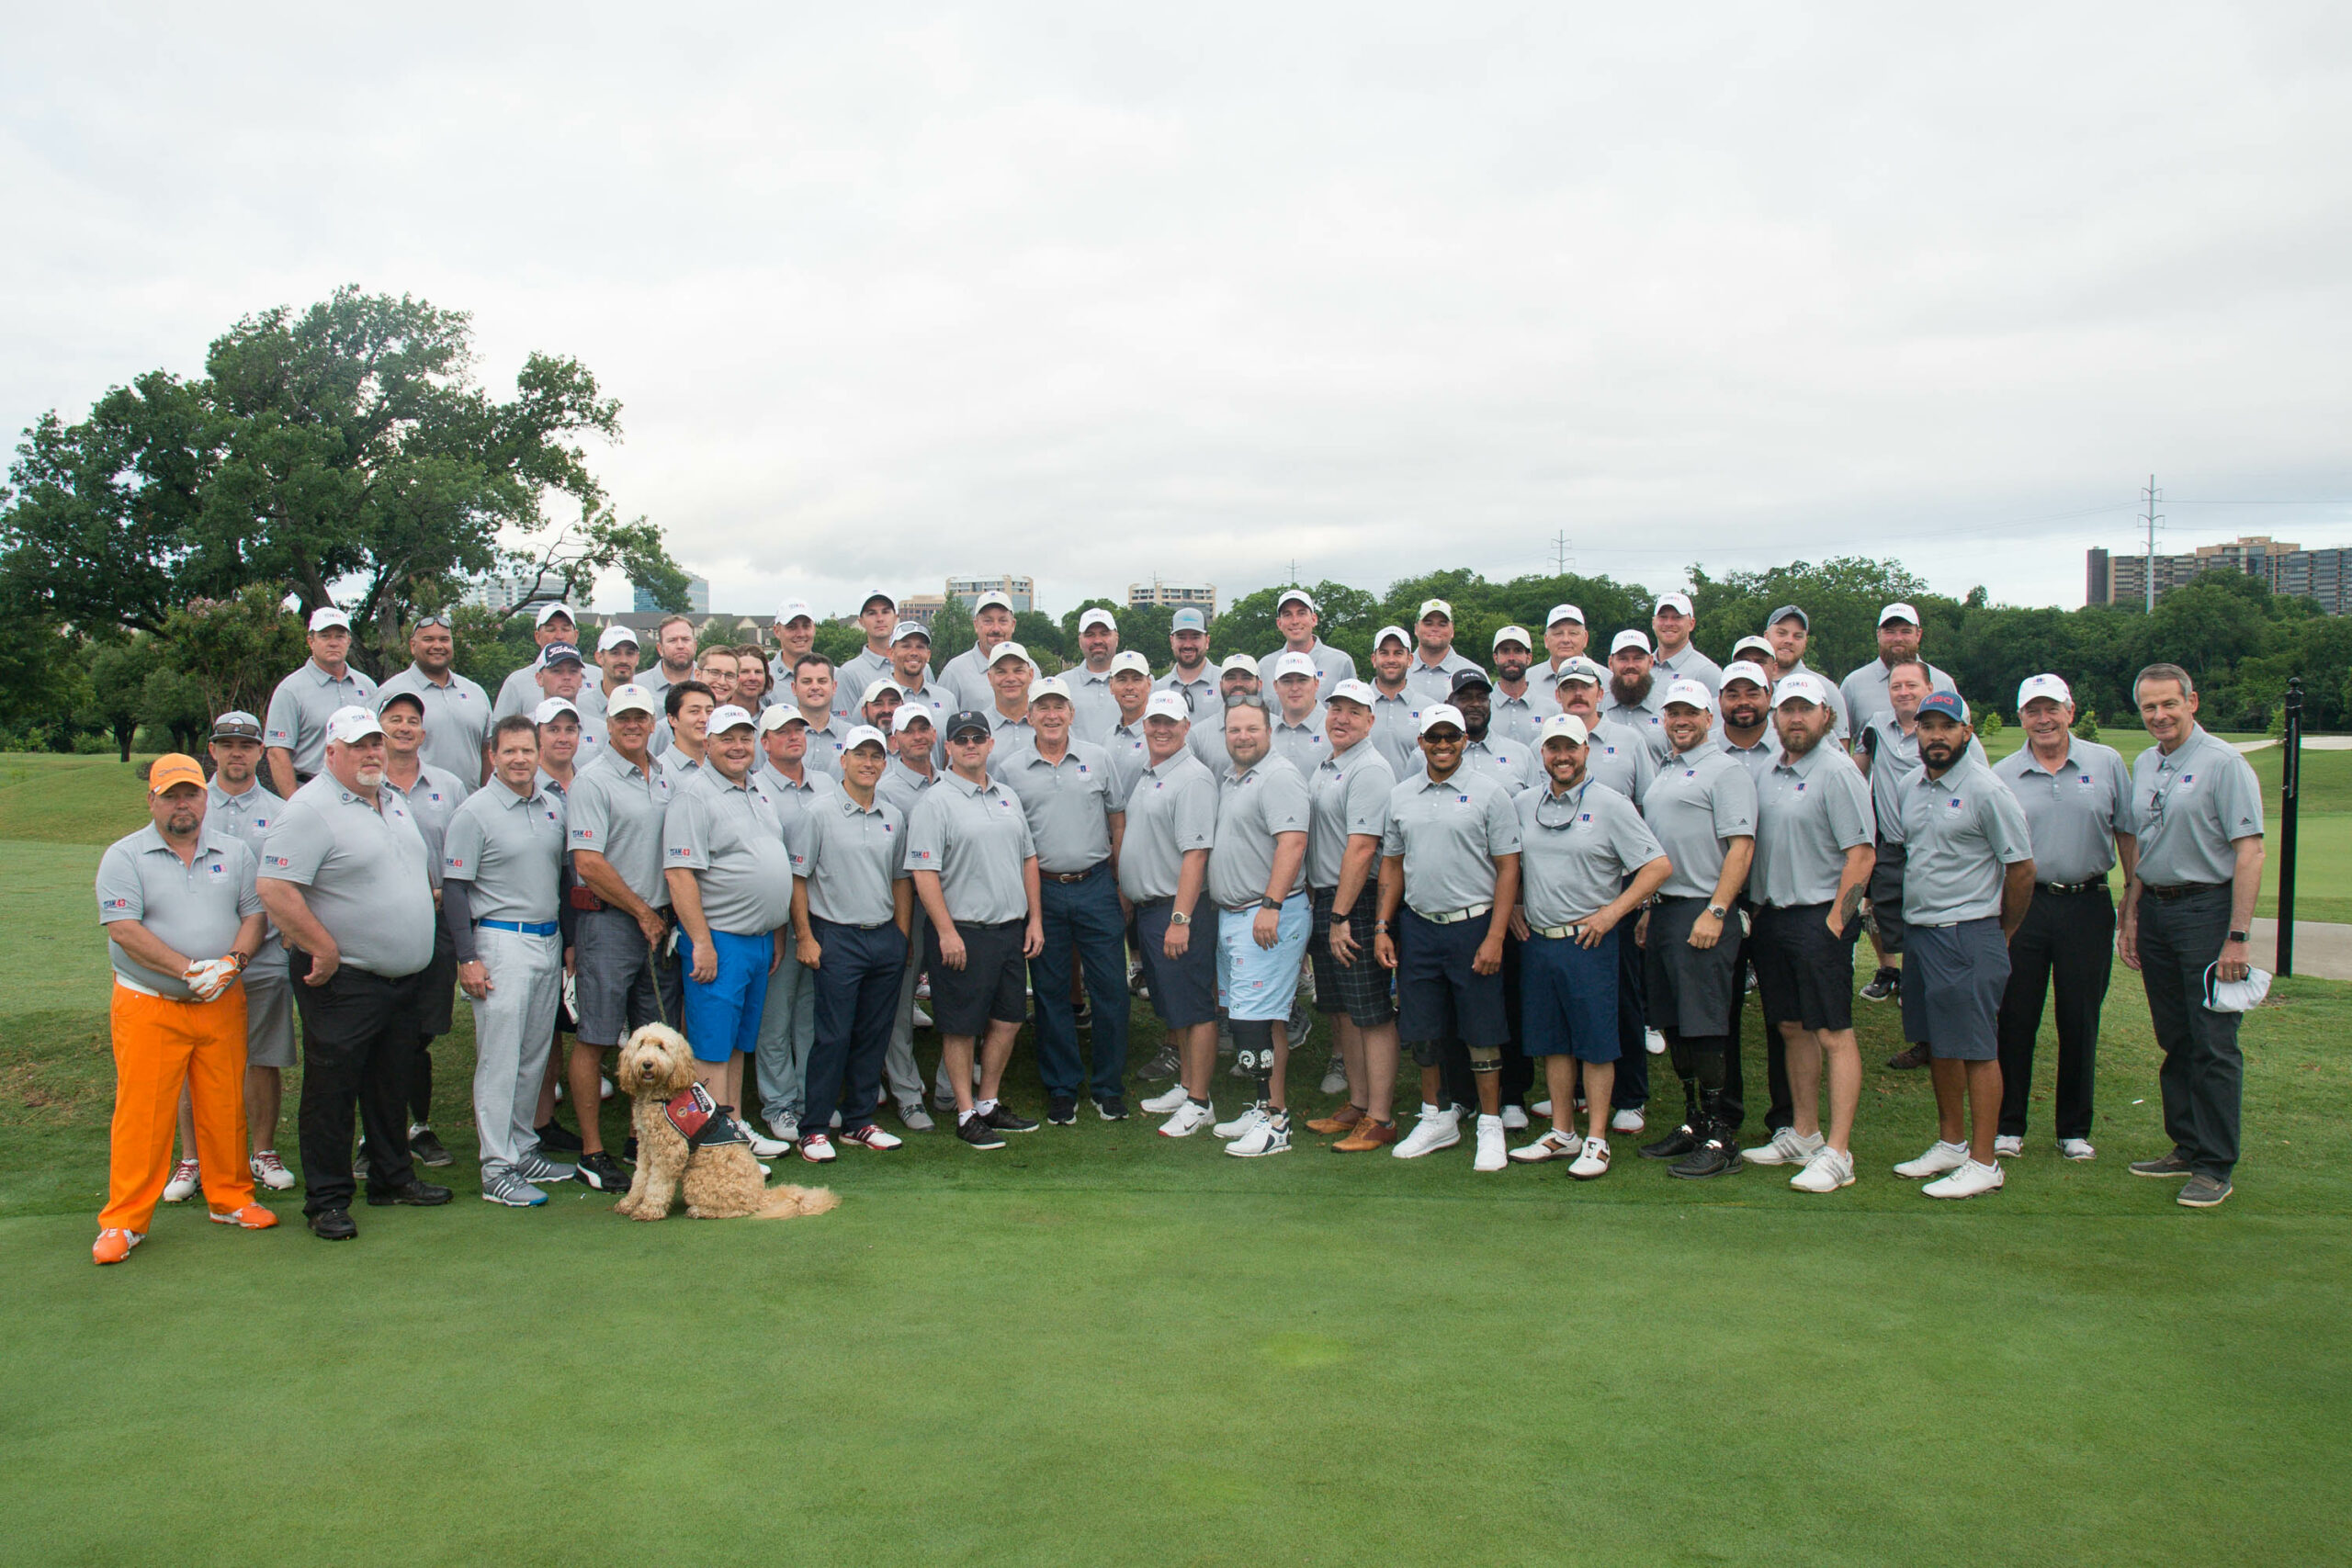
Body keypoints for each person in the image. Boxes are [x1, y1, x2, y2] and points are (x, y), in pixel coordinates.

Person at [258, 705, 449, 1240]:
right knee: (333, 1092)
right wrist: (322, 945)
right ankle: (327, 1199)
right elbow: (274, 886)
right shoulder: (310, 807)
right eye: (359, 745)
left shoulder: (390, 798)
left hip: (400, 978)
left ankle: (392, 1178)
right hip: (343, 980)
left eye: (376, 743)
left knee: (389, 1086)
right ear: (331, 752)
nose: (371, 753)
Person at [90, 755, 276, 1264]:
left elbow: (255, 915)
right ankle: (124, 1221)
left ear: (204, 797)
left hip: (221, 1000)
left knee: (223, 1105)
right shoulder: (124, 856)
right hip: (150, 1003)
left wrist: (232, 964)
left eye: (190, 794)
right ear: (151, 800)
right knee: (142, 1114)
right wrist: (188, 969)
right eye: (170, 795)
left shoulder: (235, 852)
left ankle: (231, 1198)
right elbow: (123, 929)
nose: (181, 804)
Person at [2119, 662, 2265, 1209]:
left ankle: (2215, 1163)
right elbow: (2145, 847)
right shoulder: (2146, 762)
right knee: (2175, 1035)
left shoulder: (2223, 764)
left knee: (2213, 1041)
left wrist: (2238, 935)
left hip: (2206, 910)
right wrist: (2131, 912)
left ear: (2192, 701)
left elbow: (2250, 850)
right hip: (2155, 909)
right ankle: (2186, 1142)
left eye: (2168, 704)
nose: (2159, 715)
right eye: (2149, 707)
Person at [1881, 693, 2036, 1198]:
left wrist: (2001, 931)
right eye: (1926, 727)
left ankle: (1986, 1161)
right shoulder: (1910, 784)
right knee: (1940, 1043)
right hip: (1923, 934)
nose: (1936, 736)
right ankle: (1951, 1143)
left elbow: (2021, 868)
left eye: (1946, 727)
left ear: (1966, 733)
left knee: (1975, 1048)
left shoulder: (1987, 790)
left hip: (1970, 930)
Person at [1506, 716, 1670, 1177]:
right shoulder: (1523, 803)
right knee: (1553, 1043)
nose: (1562, 756)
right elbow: (1509, 861)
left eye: (1571, 748)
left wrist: (1613, 914)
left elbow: (1657, 866)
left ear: (1586, 751)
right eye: (1554, 748)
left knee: (1597, 1045)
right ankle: (1562, 1132)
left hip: (1590, 943)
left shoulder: (1612, 804)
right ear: (1543, 754)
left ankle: (1596, 1140)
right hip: (1540, 941)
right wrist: (1515, 903)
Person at [1990, 674, 2134, 1163]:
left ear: (2070, 710)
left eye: (2052, 708)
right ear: (2021, 717)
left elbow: (2126, 835)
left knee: (2079, 1018)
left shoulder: (2106, 762)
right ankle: (2008, 1125)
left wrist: (2131, 897)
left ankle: (2073, 1128)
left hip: (2088, 903)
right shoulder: (2004, 772)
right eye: (2033, 710)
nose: (2044, 719)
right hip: (2027, 905)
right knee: (2015, 1017)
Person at [1739, 674, 1875, 1195]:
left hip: (1821, 916)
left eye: (1806, 710)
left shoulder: (1838, 771)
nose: (1795, 719)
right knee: (1792, 1028)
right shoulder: (1773, 769)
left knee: (1833, 1033)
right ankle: (1803, 1133)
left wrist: (1838, 923)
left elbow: (1861, 854)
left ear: (1826, 716)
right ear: (1776, 715)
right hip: (1774, 917)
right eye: (1787, 709)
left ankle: (1838, 1152)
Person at [1376, 703, 1523, 1172]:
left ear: (1464, 740)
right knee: (1423, 1030)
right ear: (1420, 742)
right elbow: (1393, 865)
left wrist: (1496, 935)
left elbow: (1508, 867)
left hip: (1474, 924)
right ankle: (1436, 1116)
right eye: (1433, 737)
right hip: (1419, 924)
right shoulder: (1401, 795)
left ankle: (1490, 1124)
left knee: (1482, 1032)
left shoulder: (1489, 793)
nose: (1442, 745)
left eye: (1451, 737)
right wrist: (1383, 925)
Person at [440, 716, 577, 1205]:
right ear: (492, 755)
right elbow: (455, 890)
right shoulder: (474, 812)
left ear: (539, 752)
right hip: (499, 941)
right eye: (509, 751)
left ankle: (522, 1148)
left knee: (533, 1057)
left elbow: (562, 879)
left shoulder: (552, 806)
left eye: (527, 750)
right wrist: (467, 957)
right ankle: (496, 1167)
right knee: (500, 1060)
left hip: (546, 940)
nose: (520, 759)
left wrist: (569, 941)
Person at [1634, 680, 1758, 1179]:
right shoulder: (1666, 767)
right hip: (1665, 909)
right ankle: (1694, 1121)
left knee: (1707, 1026)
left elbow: (1741, 847)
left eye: (1690, 713)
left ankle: (1722, 1132)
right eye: (1672, 713)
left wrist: (1719, 909)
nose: (1680, 720)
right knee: (1676, 1023)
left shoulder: (1725, 770)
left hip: (1703, 910)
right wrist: (1647, 908)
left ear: (1709, 717)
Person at [905, 711, 1045, 1149]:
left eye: (978, 737)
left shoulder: (1006, 796)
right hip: (962, 931)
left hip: (1009, 929)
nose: (970, 745)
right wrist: (945, 932)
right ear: (947, 747)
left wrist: (1034, 918)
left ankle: (988, 1103)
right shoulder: (935, 801)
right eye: (961, 738)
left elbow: (1028, 859)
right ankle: (965, 1112)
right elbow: (924, 872)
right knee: (961, 1026)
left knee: (1007, 1020)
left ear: (990, 744)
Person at [663, 703, 797, 1150]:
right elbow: (680, 874)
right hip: (719, 939)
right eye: (726, 738)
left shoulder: (756, 788)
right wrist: (701, 941)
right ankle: (712, 1142)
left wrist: (775, 931)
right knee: (711, 1046)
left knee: (739, 1042)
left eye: (744, 737)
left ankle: (734, 1128)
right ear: (707, 743)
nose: (737, 746)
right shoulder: (693, 794)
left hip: (757, 942)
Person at [564, 682, 677, 1190]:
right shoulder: (593, 780)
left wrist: (657, 917)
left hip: (658, 925)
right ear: (608, 724)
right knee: (596, 1037)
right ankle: (593, 1151)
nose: (633, 726)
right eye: (622, 718)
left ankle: (644, 1139)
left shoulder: (665, 774)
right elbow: (587, 863)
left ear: (653, 723)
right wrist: (640, 911)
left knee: (650, 1040)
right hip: (611, 923)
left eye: (640, 718)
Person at [1003, 676, 1130, 1122]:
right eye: (1043, 707)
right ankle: (1062, 1085)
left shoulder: (1097, 758)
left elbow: (1117, 819)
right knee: (1051, 992)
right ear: (1029, 715)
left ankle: (1109, 1086)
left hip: (1096, 885)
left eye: (1060, 706)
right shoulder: (1010, 768)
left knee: (1112, 989)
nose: (1052, 715)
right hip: (1044, 891)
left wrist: (1118, 878)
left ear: (1071, 713)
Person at [184, 714, 300, 1197]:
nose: (237, 753)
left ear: (260, 752)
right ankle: (191, 1159)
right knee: (191, 1055)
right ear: (212, 750)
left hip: (266, 953)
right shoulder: (192, 805)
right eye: (227, 744)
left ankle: (263, 1150)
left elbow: (294, 877)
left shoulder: (281, 810)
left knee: (263, 1056)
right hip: (198, 956)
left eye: (246, 745)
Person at [789, 726, 913, 1163]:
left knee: (873, 1033)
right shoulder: (818, 813)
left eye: (876, 755)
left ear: (885, 762)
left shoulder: (893, 815)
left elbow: (901, 880)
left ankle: (859, 1121)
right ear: (843, 760)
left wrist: (899, 936)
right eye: (860, 754)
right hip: (835, 936)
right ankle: (815, 1127)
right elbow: (798, 880)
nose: (868, 762)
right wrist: (805, 937)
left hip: (882, 937)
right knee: (833, 1036)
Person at [1202, 696, 1314, 1156]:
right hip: (1236, 915)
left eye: (1251, 729)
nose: (1243, 736)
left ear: (1268, 732)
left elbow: (1293, 843)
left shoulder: (1279, 775)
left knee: (1255, 1023)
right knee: (1257, 1020)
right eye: (1234, 730)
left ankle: (1277, 1122)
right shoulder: (1233, 778)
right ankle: (1260, 1105)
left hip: (1266, 914)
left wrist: (1271, 903)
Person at [1856, 659, 1989, 1039]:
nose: (1903, 692)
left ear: (1929, 688)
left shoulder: (1955, 735)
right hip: (1894, 845)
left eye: (1912, 685)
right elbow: (1857, 770)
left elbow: (1979, 785)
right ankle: (1913, 1013)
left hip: (1940, 848)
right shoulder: (1876, 726)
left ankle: (1940, 1027)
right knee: (1891, 924)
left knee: (1933, 937)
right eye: (1897, 686)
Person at [1297, 680, 1402, 1148]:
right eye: (1335, 709)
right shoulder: (1330, 765)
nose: (1341, 718)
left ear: (1370, 720)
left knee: (1371, 1012)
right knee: (1341, 1009)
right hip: (1327, 898)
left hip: (1353, 902)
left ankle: (1380, 1116)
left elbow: (1362, 849)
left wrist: (1340, 917)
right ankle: (1358, 1104)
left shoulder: (1371, 769)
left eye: (1354, 711)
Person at [375, 689, 469, 1172]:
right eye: (395, 719)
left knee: (420, 1030)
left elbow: (466, 850)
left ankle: (416, 1126)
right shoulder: (366, 783)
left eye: (413, 720)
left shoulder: (448, 786)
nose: (405, 727)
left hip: (437, 921)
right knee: (384, 1027)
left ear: (423, 732)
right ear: (379, 729)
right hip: (381, 925)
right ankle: (380, 1134)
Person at [1125, 695, 1225, 1136]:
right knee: (1176, 1009)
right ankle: (1186, 1086)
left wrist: (1180, 918)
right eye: (1154, 722)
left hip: (1178, 910)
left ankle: (1201, 1101)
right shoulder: (1151, 773)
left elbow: (1196, 854)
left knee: (1196, 1008)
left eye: (1170, 722)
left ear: (1186, 727)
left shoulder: (1193, 778)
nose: (1161, 729)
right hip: (1152, 911)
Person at [748, 705, 832, 1151]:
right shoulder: (755, 788)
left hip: (821, 918)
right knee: (775, 1019)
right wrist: (788, 929)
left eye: (798, 729)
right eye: (781, 732)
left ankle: (807, 1098)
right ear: (764, 743)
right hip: (779, 922)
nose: (793, 737)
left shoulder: (826, 783)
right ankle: (777, 1103)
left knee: (810, 1016)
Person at [876, 707, 942, 1132]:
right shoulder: (886, 787)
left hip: (953, 905)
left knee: (958, 993)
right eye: (908, 731)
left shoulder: (949, 776)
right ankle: (906, 1091)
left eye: (923, 728)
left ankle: (952, 1083)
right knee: (900, 1004)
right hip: (908, 906)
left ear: (934, 734)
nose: (917, 736)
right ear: (894, 739)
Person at [265, 606, 379, 797]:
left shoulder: (367, 686)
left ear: (349, 641)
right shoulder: (290, 690)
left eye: (339, 636)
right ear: (311, 641)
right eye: (325, 636)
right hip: (312, 792)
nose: (333, 643)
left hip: (362, 791)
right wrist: (295, 805)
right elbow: (277, 753)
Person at [376, 613, 491, 786]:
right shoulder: (389, 692)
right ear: (413, 646)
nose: (437, 646)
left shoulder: (476, 692)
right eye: (428, 639)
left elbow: (486, 751)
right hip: (410, 804)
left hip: (470, 805)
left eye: (444, 640)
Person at [1838, 601, 1957, 738]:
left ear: (1918, 635)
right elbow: (1840, 742)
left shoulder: (1943, 683)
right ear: (1878, 634)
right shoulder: (1853, 684)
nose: (1898, 638)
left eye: (1906, 631)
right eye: (1890, 632)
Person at [1446, 669, 1535, 794]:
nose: (1476, 704)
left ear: (1490, 703)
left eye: (1482, 698)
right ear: (1448, 704)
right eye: (1466, 698)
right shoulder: (1427, 756)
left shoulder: (1521, 754)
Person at [1254, 588, 1357, 696]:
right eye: (1287, 615)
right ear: (1279, 623)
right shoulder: (1265, 666)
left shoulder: (1341, 663)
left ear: (1314, 619)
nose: (1295, 621)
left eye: (1301, 613)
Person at [492, 603, 580, 721]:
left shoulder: (597, 676)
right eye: (551, 629)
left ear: (576, 635)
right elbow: (500, 731)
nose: (559, 636)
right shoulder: (516, 682)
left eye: (565, 629)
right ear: (537, 636)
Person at [941, 591, 1023, 711]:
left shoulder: (1031, 668)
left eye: (1003, 621)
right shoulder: (954, 672)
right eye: (988, 621)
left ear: (1013, 625)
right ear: (976, 625)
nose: (996, 629)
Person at [844, 590, 928, 701]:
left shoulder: (922, 666)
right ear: (861, 621)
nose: (880, 619)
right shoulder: (849, 673)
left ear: (896, 617)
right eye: (872, 613)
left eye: (885, 612)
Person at [1601, 630, 1670, 763]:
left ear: (1650, 662)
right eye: (1623, 659)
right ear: (1610, 663)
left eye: (1638, 658)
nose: (1630, 665)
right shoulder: (1596, 708)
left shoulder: (1667, 709)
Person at [1365, 625, 1425, 778]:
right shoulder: (1356, 706)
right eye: (1384, 653)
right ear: (1374, 659)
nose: (1391, 660)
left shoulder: (1428, 708)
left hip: (1412, 800)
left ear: (1410, 659)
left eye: (1398, 653)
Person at [1154, 605, 1219, 738]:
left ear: (1207, 641)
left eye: (1195, 637)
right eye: (1181, 637)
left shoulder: (1226, 682)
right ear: (1172, 641)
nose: (1188, 644)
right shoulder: (1158, 689)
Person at [1098, 649, 1155, 803]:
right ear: (1111, 686)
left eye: (1136, 679)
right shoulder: (1107, 737)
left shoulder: (1160, 736)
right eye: (1122, 680)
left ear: (1148, 684)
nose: (1129, 687)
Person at [1404, 598, 1482, 705]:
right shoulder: (1398, 671)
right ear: (1416, 629)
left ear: (1452, 630)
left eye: (1442, 624)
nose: (1435, 629)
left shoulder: (1475, 673)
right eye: (1428, 623)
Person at [1267, 650, 1329, 776]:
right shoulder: (1263, 732)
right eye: (1287, 681)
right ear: (1275, 686)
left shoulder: (1336, 728)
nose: (1294, 688)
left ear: (1316, 683)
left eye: (1302, 680)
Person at [888, 622, 949, 742]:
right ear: (891, 653)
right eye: (906, 646)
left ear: (928, 655)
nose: (914, 653)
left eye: (920, 647)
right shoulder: (875, 701)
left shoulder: (947, 699)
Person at [1650, 592, 1724, 694]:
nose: (1669, 623)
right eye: (1663, 617)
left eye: (1677, 617)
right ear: (1653, 623)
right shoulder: (1640, 667)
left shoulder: (1707, 672)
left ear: (1691, 624)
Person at [1069, 606, 1125, 741]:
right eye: (1090, 635)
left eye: (1104, 634)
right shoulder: (1063, 684)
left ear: (1116, 637)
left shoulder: (1142, 683)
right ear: (1080, 640)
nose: (1097, 640)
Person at [1487, 626, 1543, 746]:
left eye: (1518, 651)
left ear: (1529, 658)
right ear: (1495, 658)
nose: (1511, 658)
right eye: (1505, 651)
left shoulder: (1550, 709)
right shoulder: (1483, 707)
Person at [982, 642, 1039, 757]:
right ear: (990, 677)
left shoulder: (1049, 723)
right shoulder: (978, 728)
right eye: (1001, 672)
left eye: (1018, 671)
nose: (1011, 678)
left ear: (1031, 675)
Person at [766, 600, 818, 704]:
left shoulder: (836, 676)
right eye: (792, 627)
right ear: (777, 631)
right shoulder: (763, 678)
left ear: (814, 629)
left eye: (806, 626)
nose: (800, 634)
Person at [641, 613, 698, 704]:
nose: (680, 646)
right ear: (660, 649)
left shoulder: (712, 681)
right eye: (672, 640)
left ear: (695, 646)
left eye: (685, 639)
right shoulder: (639, 686)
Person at [662, 680, 716, 775]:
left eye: (709, 711)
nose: (704, 719)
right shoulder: (659, 772)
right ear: (672, 719)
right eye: (694, 711)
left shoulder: (721, 767)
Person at [1539, 604, 1590, 683]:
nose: (1565, 640)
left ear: (1585, 638)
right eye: (1558, 633)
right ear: (1546, 640)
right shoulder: (1527, 681)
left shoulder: (1607, 681)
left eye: (1573, 633)